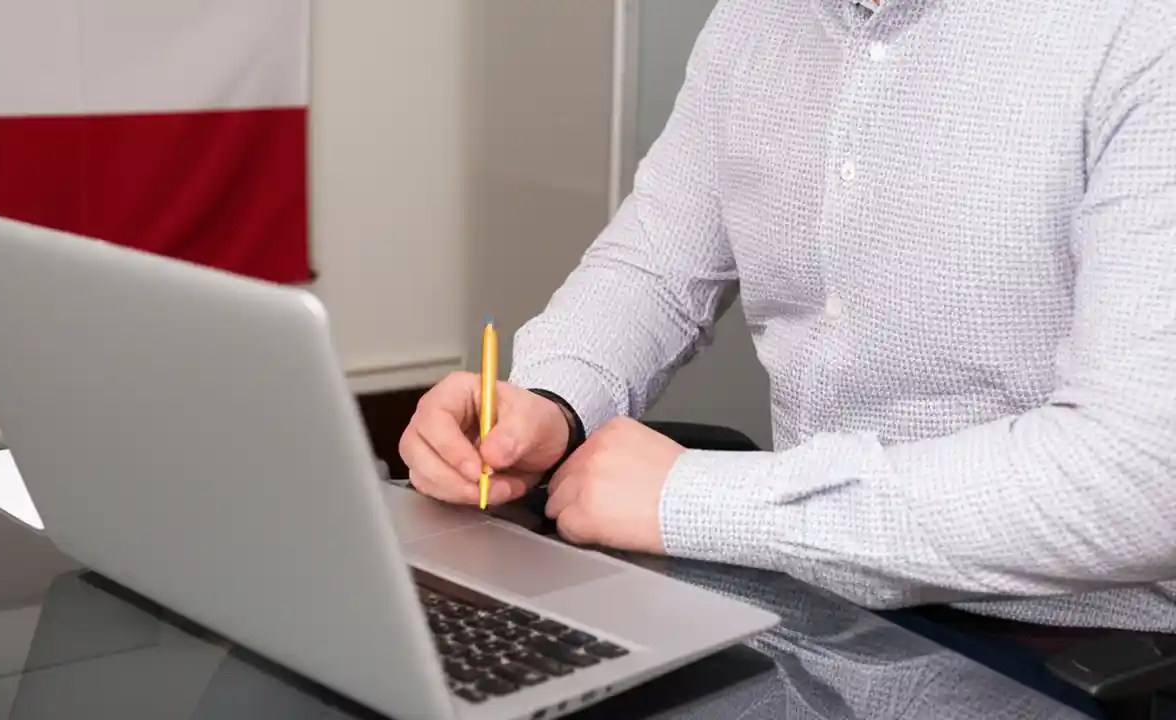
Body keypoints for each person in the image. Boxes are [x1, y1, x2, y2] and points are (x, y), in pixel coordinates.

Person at [400, 0, 1176, 644]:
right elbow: (654, 270)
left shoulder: (1144, 31)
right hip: (809, 608)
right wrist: (547, 404)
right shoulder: (754, 21)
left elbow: (1143, 479)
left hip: (1062, 643)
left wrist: (696, 500)